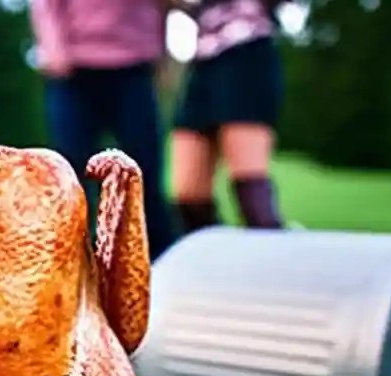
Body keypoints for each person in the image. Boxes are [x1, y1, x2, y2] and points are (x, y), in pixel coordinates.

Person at [29, 0, 177, 260]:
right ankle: (73, 262)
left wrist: (161, 52)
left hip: (133, 64)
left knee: (144, 170)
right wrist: (53, 47)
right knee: (70, 173)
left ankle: (160, 261)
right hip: (73, 68)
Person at [170, 0, 288, 231]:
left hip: (246, 51)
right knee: (189, 196)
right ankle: (214, 254)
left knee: (249, 184)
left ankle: (276, 251)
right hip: (204, 59)